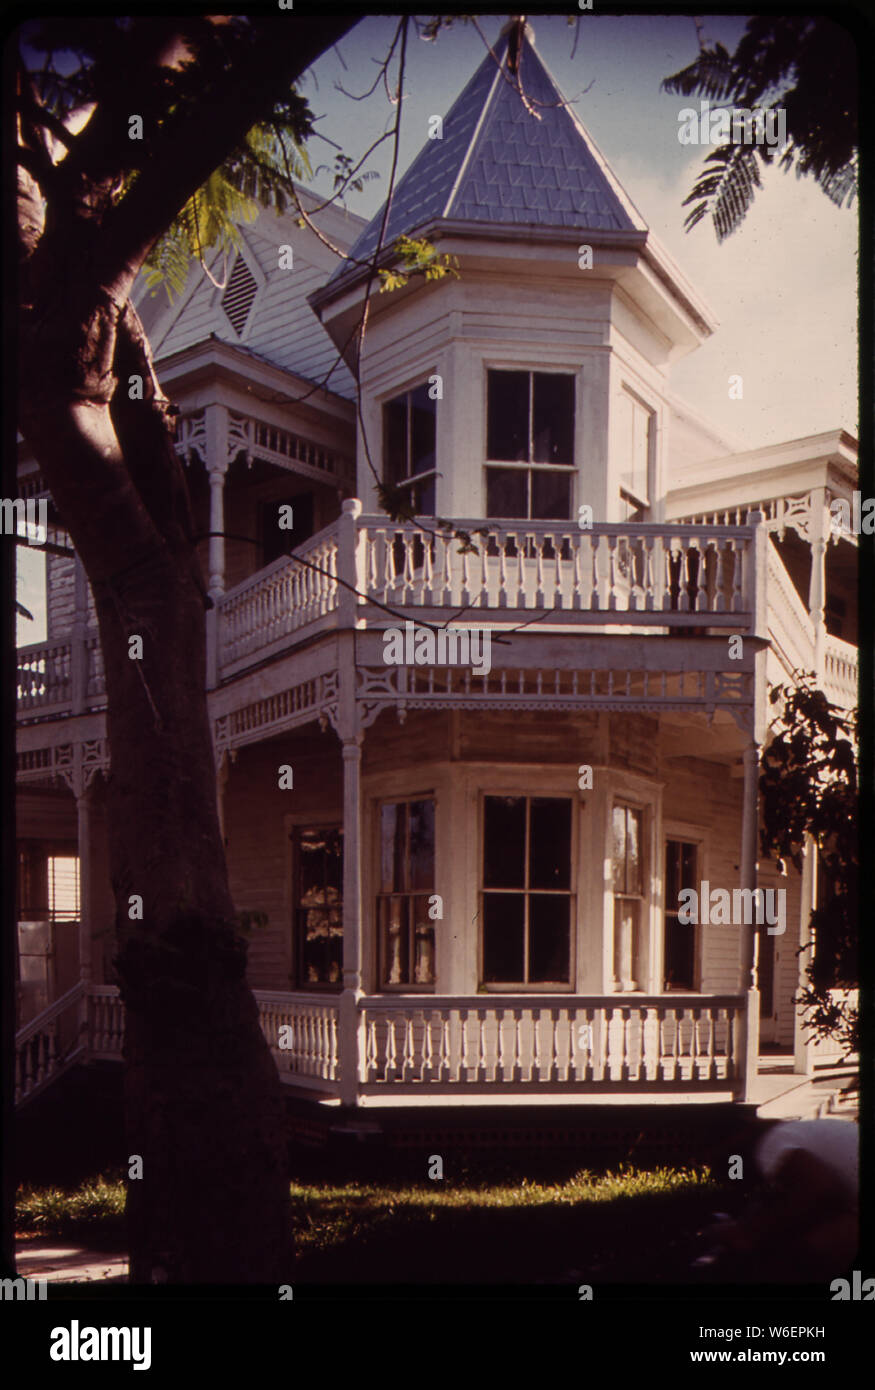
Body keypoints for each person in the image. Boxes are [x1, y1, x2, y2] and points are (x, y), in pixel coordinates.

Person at [697, 1118, 858, 1280]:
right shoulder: (792, 1134)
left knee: (812, 1245)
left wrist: (748, 1232)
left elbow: (820, 1186)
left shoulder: (770, 1143)